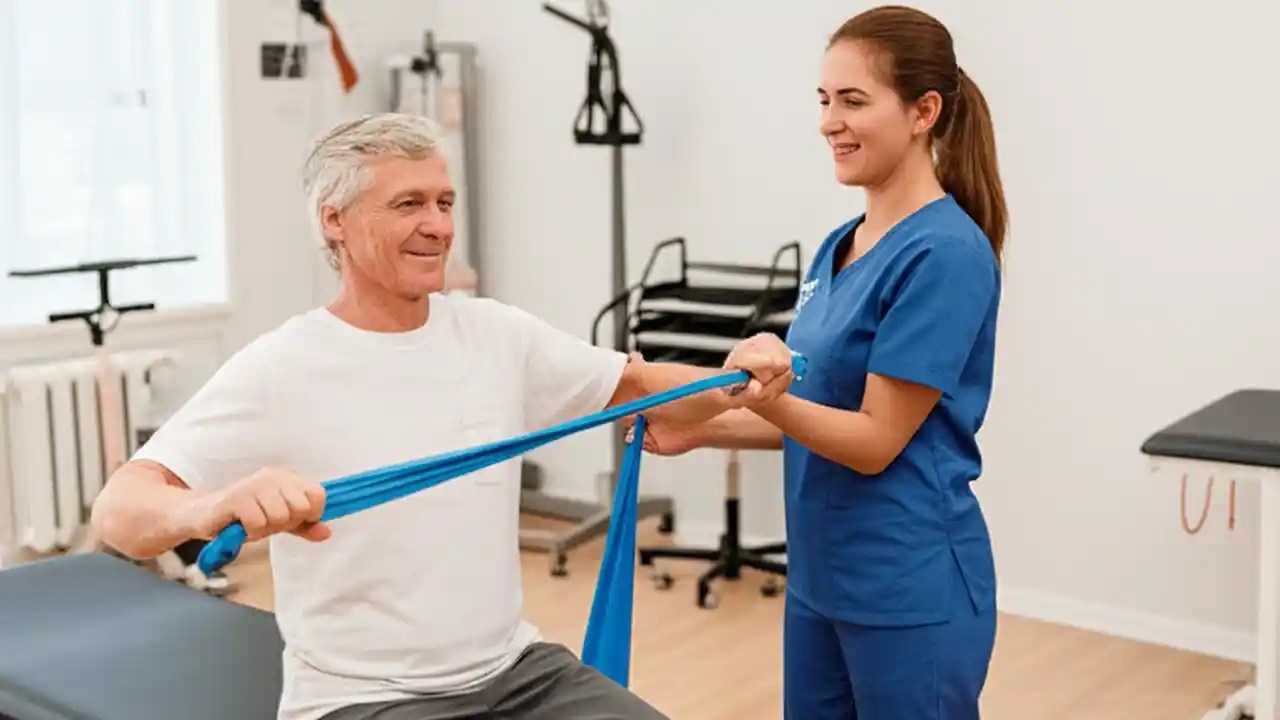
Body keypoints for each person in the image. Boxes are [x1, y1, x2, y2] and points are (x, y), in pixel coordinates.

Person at [89, 112, 795, 720]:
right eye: (408, 205)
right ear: (334, 220)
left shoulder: (495, 335)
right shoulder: (284, 365)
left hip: (515, 672)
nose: (437, 226)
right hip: (364, 696)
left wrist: (744, 376)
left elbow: (639, 385)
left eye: (444, 202)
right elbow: (120, 510)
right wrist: (211, 506)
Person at [633, 6, 1007, 719]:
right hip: (820, 580)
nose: (830, 122)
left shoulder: (945, 255)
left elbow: (873, 441)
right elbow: (820, 416)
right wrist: (701, 430)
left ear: (924, 111)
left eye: (854, 101)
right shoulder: (842, 243)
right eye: (825, 100)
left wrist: (761, 395)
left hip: (907, 584)